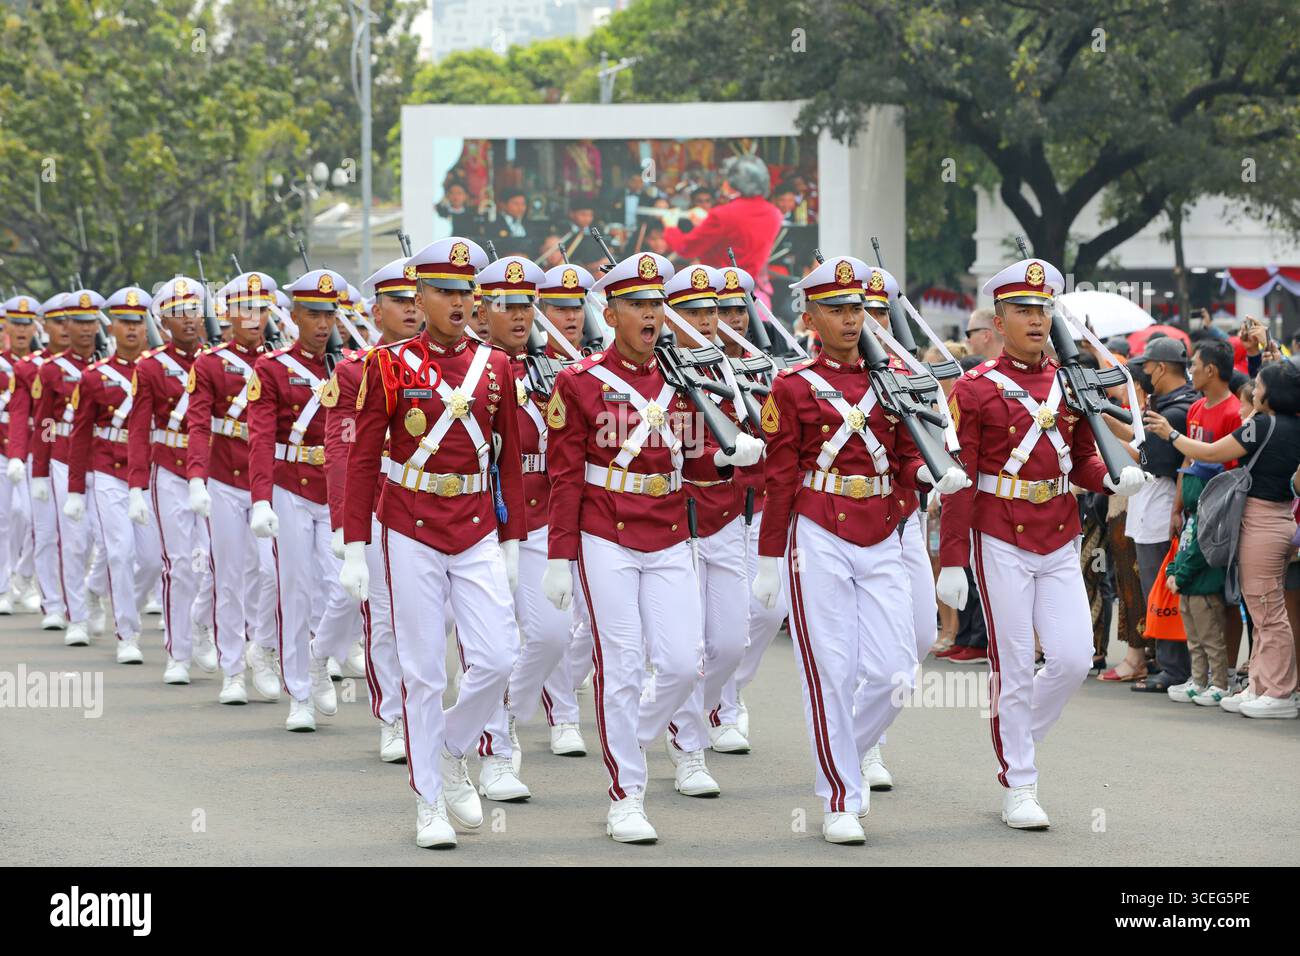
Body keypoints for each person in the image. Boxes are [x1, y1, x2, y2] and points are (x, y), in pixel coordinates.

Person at [540, 250, 763, 844]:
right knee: (622, 664)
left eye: (655, 304)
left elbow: (696, 464)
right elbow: (563, 477)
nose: (649, 314)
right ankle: (627, 795)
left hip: (668, 531)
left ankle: (630, 738)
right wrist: (560, 555)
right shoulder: (578, 383)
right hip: (603, 532)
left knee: (686, 661)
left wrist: (728, 457)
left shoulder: (683, 379)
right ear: (610, 313)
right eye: (636, 304)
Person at [753, 254, 968, 844]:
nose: (852, 320)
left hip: (883, 526)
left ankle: (842, 748)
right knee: (832, 668)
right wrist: (772, 557)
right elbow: (778, 477)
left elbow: (903, 459)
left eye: (859, 310)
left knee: (899, 671)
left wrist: (926, 477)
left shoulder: (892, 380)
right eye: (839, 310)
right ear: (811, 317)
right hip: (817, 528)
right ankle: (840, 795)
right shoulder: (791, 386)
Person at [936, 257, 1149, 830]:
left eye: (1043, 309)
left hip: (1057, 528)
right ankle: (1021, 783)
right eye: (1023, 310)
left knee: (1075, 656)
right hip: (998, 530)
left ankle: (1014, 741)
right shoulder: (976, 389)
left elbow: (1079, 459)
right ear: (1000, 319)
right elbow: (959, 480)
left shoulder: (1070, 380)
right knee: (1013, 662)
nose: (1035, 319)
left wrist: (1108, 475)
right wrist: (952, 558)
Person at [337, 237, 526, 850]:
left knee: (498, 657)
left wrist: (515, 539)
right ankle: (428, 803)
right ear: (418, 297)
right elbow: (364, 460)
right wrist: (353, 546)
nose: (454, 302)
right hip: (408, 525)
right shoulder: (384, 366)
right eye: (442, 292)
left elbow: (512, 462)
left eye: (463, 292)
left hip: (474, 526)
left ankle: (448, 748)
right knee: (421, 672)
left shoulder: (496, 368)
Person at [1144, 358, 1300, 719]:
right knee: (1264, 609)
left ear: (1272, 393)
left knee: (1267, 611)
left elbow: (1211, 452)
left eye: (1259, 385)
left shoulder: (1264, 425)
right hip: (1276, 518)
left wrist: (1170, 433)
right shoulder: (1287, 425)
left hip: (1261, 521)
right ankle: (1262, 684)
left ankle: (1278, 692)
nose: (1254, 390)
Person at [316, 258, 416, 760]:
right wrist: (344, 523)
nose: (412, 310)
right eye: (400, 302)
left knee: (431, 621)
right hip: (377, 507)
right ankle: (394, 719)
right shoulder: (356, 370)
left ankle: (318, 652)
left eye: (417, 299)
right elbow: (343, 450)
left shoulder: (452, 367)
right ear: (377, 312)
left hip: (434, 512)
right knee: (385, 617)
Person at [658, 264, 747, 790]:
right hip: (680, 520)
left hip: (728, 516)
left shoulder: (731, 369)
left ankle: (693, 711)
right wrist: (721, 457)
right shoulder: (663, 373)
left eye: (712, 310)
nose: (709, 321)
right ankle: (688, 745)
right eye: (694, 312)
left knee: (731, 643)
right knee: (689, 645)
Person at [246, 268, 343, 733]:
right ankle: (299, 692)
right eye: (313, 314)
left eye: (329, 314)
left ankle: (320, 659)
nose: (322, 324)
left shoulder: (347, 367)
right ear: (294, 316)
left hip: (335, 491)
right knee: (296, 589)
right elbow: (261, 438)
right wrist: (260, 499)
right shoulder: (272, 369)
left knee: (341, 587)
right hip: (289, 486)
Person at [186, 272, 281, 701]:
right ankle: (232, 671)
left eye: (261, 309)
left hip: (269, 482)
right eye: (245, 309)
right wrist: (196, 479)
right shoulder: (209, 363)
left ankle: (262, 648)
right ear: (228, 313)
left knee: (269, 572)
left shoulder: (280, 362)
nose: (253, 318)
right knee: (228, 576)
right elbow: (198, 425)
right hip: (225, 479)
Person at [63, 287, 165, 667]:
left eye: (138, 321)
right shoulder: (94, 377)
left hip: (151, 470)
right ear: (113, 326)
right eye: (124, 322)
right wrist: (76, 490)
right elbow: (79, 437)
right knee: (120, 553)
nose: (132, 330)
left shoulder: (158, 369)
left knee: (154, 560)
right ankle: (128, 633)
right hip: (107, 471)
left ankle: (99, 592)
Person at [713, 264, 787, 749]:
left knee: (767, 609)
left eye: (740, 309)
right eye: (721, 310)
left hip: (759, 504)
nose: (733, 319)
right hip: (712, 508)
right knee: (720, 622)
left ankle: (731, 689)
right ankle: (721, 706)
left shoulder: (767, 365)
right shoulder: (684, 364)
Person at [30, 290, 105, 647]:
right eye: (77, 321)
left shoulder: (110, 365)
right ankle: (75, 615)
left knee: (109, 545)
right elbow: (44, 422)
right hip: (63, 458)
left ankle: (93, 590)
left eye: (92, 321)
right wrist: (40, 471)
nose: (86, 329)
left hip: (106, 461)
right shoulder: (52, 370)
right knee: (74, 542)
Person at [1126, 336, 1196, 694]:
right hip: (1152, 506)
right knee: (1156, 590)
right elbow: (1142, 446)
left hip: (1164, 505)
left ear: (1163, 367)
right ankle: (1166, 662)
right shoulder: (1168, 404)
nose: (1146, 372)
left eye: (1149, 366)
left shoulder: (1176, 411)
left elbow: (1149, 459)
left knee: (1163, 590)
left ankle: (1174, 668)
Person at [7, 295, 67, 624]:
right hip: (43, 453)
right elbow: (27, 417)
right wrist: (25, 455)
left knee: (76, 535)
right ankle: (49, 599)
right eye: (58, 321)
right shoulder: (32, 368)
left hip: (83, 457)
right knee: (35, 523)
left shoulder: (92, 366)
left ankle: (30, 576)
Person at [662, 155, 783, 301]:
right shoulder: (774, 214)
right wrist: (705, 222)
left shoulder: (722, 214)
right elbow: (739, 234)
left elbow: (686, 249)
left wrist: (670, 227)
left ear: (733, 183)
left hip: (719, 293)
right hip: (753, 292)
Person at [1164, 462, 1229, 704]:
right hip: (1187, 587)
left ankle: (1220, 684)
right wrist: (1172, 570)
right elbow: (1180, 549)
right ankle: (1199, 680)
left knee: (1211, 639)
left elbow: (1199, 552)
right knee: (1194, 640)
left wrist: (1179, 576)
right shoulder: (1190, 517)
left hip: (1203, 588)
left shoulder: (1209, 518)